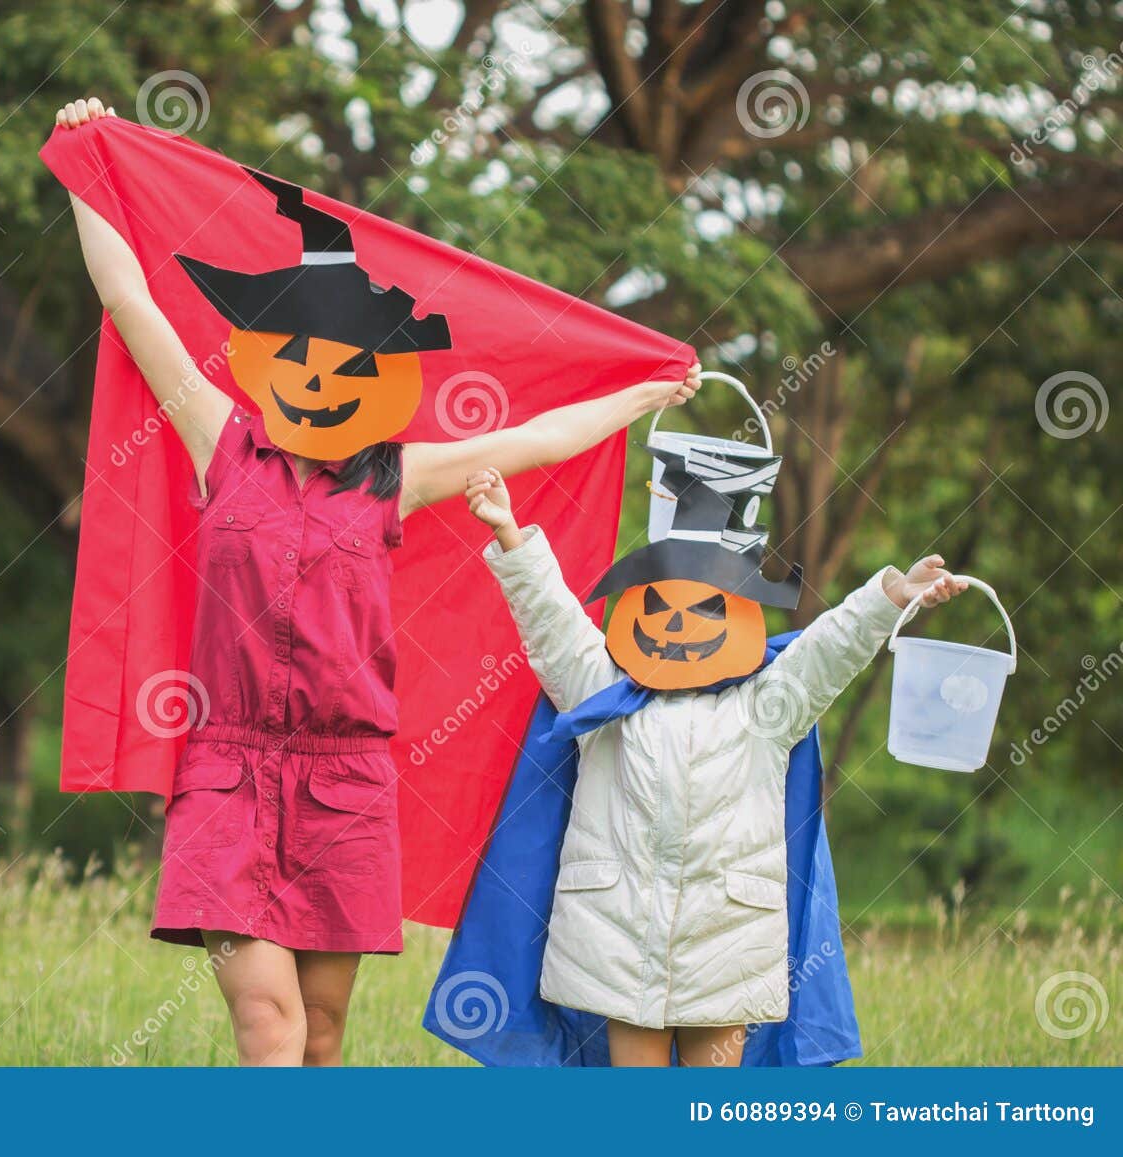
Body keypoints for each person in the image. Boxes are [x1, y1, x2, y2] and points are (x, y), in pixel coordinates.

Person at [53, 96, 698, 1067]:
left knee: (321, 1031)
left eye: (349, 363)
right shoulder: (219, 442)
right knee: (265, 1021)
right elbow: (129, 299)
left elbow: (528, 439)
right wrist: (87, 161)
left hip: (345, 781)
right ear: (270, 361)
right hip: (226, 771)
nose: (323, 378)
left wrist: (645, 390)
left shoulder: (394, 475)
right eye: (303, 358)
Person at [463, 464, 968, 1066]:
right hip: (620, 942)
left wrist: (892, 595)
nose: (677, 625)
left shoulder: (767, 708)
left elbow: (831, 648)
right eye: (659, 605)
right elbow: (554, 625)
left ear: (739, 613)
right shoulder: (599, 694)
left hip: (727, 940)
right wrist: (510, 533)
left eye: (704, 608)